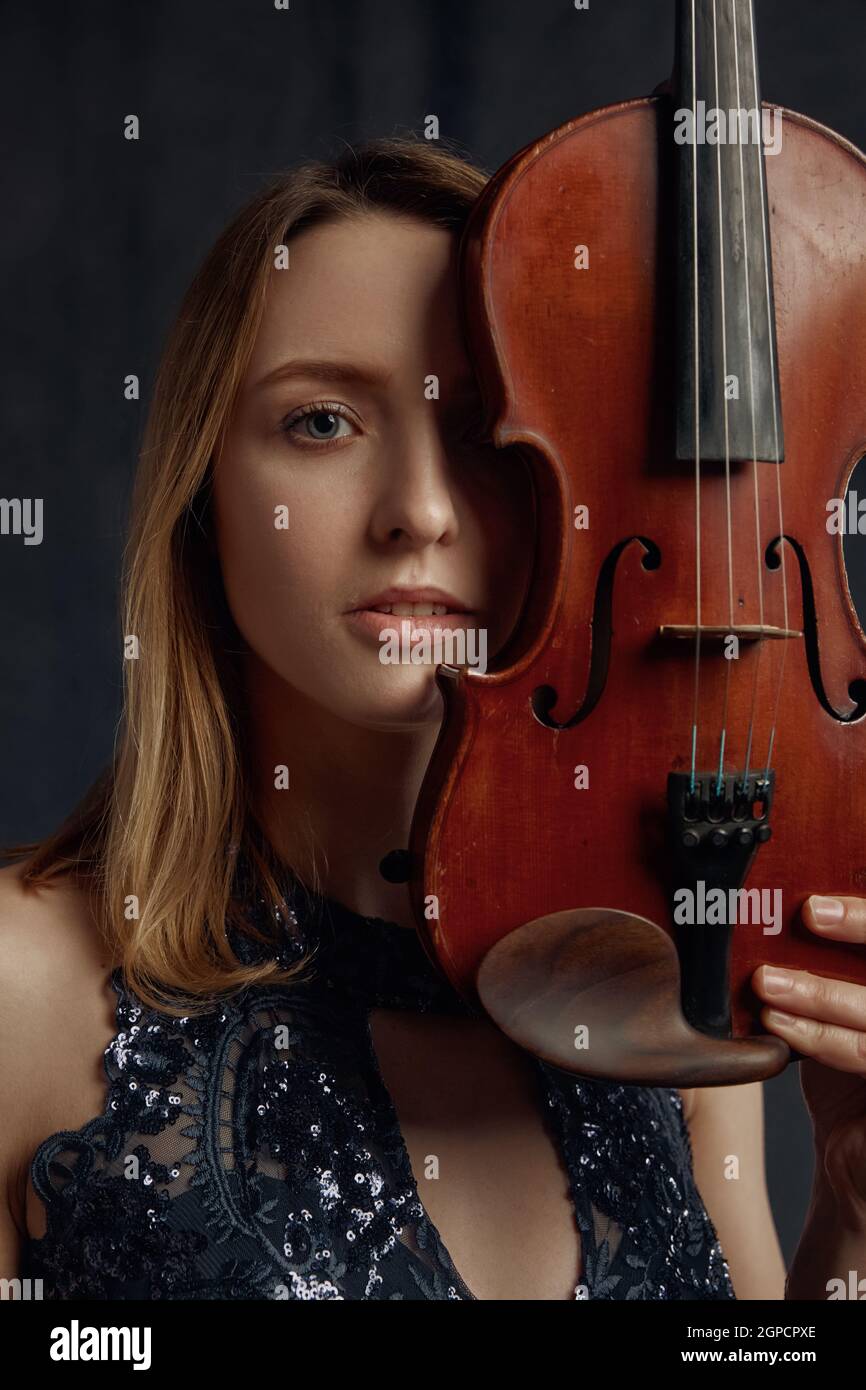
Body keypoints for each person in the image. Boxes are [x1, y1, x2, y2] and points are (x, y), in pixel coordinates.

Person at [0, 137, 863, 1302]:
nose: (417, 510)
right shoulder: (20, 986)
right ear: (204, 500)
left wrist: (853, 1216)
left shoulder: (662, 970)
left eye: (482, 433)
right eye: (319, 423)